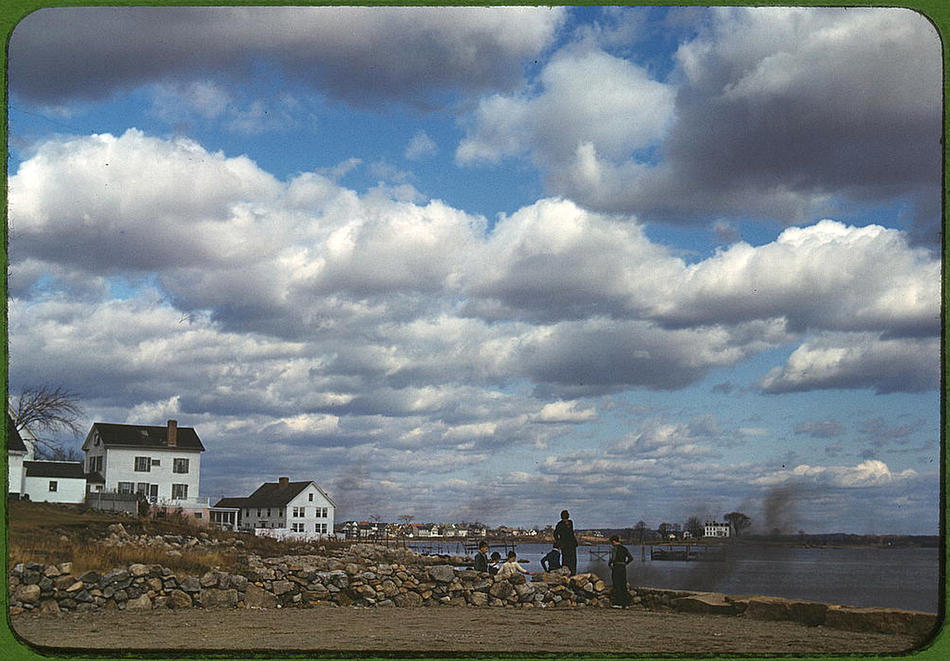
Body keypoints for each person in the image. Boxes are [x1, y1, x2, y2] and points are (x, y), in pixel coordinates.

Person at [608, 535, 633, 608]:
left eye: (611, 542)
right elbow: (631, 558)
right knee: (623, 584)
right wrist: (625, 563)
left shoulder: (614, 549)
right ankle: (625, 603)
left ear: (613, 541)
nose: (611, 544)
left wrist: (610, 564)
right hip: (623, 567)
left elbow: (613, 558)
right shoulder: (625, 548)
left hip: (616, 567)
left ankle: (618, 603)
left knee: (617, 584)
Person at [553, 509, 578, 575]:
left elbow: (555, 534)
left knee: (566, 560)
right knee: (572, 560)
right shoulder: (569, 523)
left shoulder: (561, 524)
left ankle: (568, 573)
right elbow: (571, 533)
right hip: (569, 544)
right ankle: (572, 573)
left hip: (566, 544)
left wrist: (559, 541)